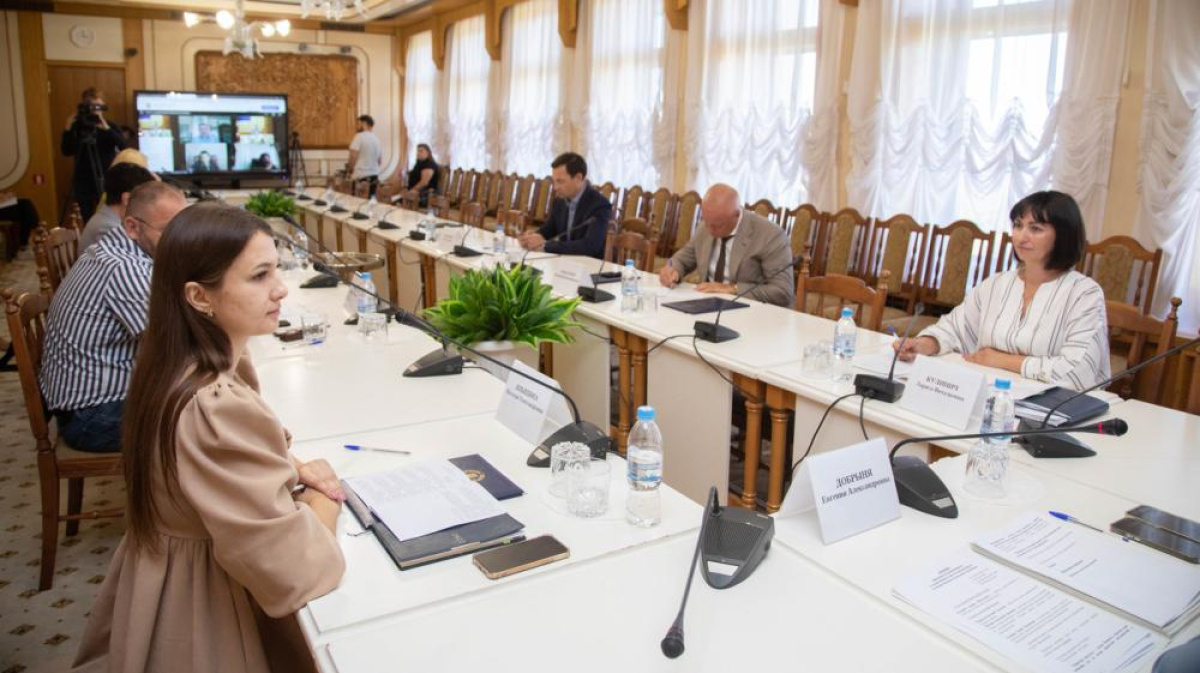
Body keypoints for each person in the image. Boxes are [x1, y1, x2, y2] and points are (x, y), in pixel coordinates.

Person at [71, 202, 345, 673]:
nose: (280, 288)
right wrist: (325, 499)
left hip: (162, 577)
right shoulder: (214, 404)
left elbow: (213, 466)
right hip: (206, 608)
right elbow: (293, 569)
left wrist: (286, 466)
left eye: (276, 269)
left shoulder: (172, 360)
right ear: (199, 297)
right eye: (259, 276)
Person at [894, 190, 1110, 390]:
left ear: (1063, 235)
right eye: (1018, 225)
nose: (1021, 236)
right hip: (986, 393)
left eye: (1035, 229)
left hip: (1048, 405)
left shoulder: (1084, 294)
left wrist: (1001, 360)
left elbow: (1079, 373)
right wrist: (922, 345)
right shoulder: (997, 283)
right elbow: (955, 328)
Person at [40, 182, 188, 453]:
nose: (180, 240)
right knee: (210, 420)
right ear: (133, 227)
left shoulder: (117, 248)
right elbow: (173, 345)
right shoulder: (125, 267)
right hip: (91, 416)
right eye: (169, 231)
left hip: (88, 401)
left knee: (214, 407)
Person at [658, 184, 795, 308]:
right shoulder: (706, 226)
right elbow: (681, 259)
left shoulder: (770, 235)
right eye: (706, 222)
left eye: (717, 226)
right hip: (707, 305)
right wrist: (671, 269)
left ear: (737, 215)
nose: (710, 230)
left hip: (751, 310)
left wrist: (733, 289)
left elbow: (782, 290)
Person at [517, 152, 613, 260]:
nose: (555, 187)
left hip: (589, 265)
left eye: (560, 181)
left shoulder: (600, 205)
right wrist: (532, 236)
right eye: (554, 181)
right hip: (563, 261)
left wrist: (545, 246)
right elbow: (550, 229)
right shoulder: (560, 200)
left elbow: (590, 246)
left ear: (578, 178)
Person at [61, 87, 129, 220]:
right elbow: (66, 151)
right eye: (92, 106)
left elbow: (124, 147)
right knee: (87, 217)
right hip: (83, 180)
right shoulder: (78, 127)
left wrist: (107, 129)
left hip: (106, 178)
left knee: (107, 215)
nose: (95, 110)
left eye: (98, 106)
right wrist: (67, 129)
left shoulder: (110, 126)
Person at [80, 162, 156, 251]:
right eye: (146, 199)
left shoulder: (108, 220)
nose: (149, 206)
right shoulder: (108, 228)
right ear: (127, 199)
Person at [347, 114, 382, 197]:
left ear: (365, 124)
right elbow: (379, 161)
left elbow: (353, 156)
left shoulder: (359, 136)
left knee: (357, 202)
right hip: (374, 176)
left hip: (361, 176)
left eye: (359, 124)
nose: (358, 126)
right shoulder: (377, 139)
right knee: (371, 201)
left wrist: (350, 170)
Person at [402, 143, 439, 207]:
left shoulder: (429, 164)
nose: (418, 153)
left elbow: (424, 182)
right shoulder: (419, 163)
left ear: (428, 153)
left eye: (421, 151)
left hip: (425, 195)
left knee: (401, 201)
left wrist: (411, 191)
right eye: (417, 151)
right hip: (415, 192)